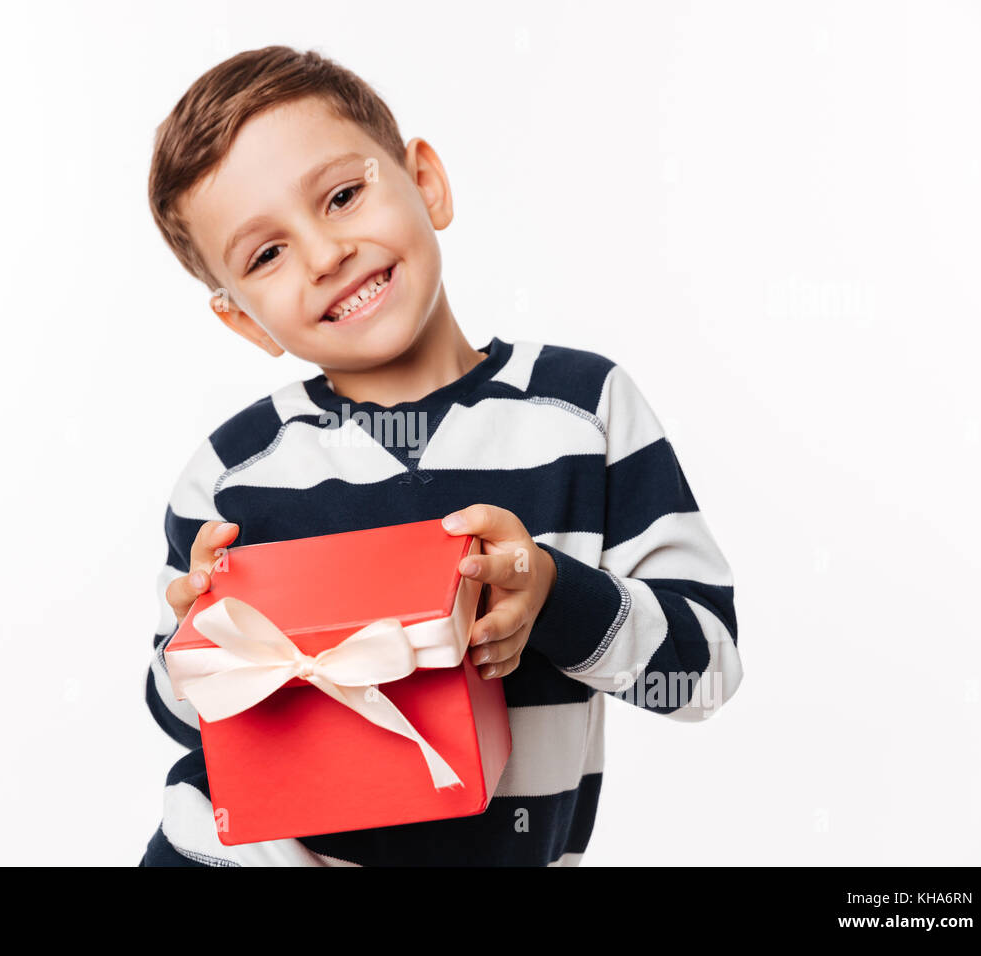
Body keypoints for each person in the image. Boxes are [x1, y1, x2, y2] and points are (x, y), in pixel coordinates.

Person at [138, 45, 742, 866]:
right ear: (246, 320)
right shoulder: (233, 474)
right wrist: (200, 643)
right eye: (266, 255)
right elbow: (180, 721)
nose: (325, 255)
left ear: (426, 182)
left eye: (343, 196)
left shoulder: (580, 412)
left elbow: (703, 673)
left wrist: (553, 597)